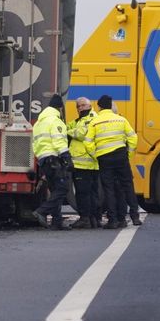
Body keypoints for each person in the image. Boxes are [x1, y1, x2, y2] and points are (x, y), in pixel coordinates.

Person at [86, 94, 142, 229]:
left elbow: (88, 143)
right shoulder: (121, 120)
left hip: (104, 159)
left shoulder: (95, 122)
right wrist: (128, 154)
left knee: (109, 189)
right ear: (111, 106)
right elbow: (133, 137)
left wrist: (96, 156)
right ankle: (135, 216)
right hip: (121, 156)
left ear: (99, 107)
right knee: (127, 186)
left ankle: (113, 220)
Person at [32, 94, 72, 230]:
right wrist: (66, 157)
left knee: (55, 190)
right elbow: (58, 140)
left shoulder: (39, 122)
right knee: (63, 188)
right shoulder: (55, 121)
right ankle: (41, 211)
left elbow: (35, 143)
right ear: (60, 108)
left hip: (43, 160)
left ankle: (57, 222)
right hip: (54, 159)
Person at [67, 96, 101, 229]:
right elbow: (72, 125)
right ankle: (94, 219)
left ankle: (85, 219)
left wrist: (67, 132)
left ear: (89, 105)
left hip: (84, 163)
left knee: (83, 193)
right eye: (78, 106)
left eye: (83, 105)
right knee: (92, 193)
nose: (80, 108)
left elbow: (81, 133)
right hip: (88, 163)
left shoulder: (91, 118)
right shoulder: (82, 119)